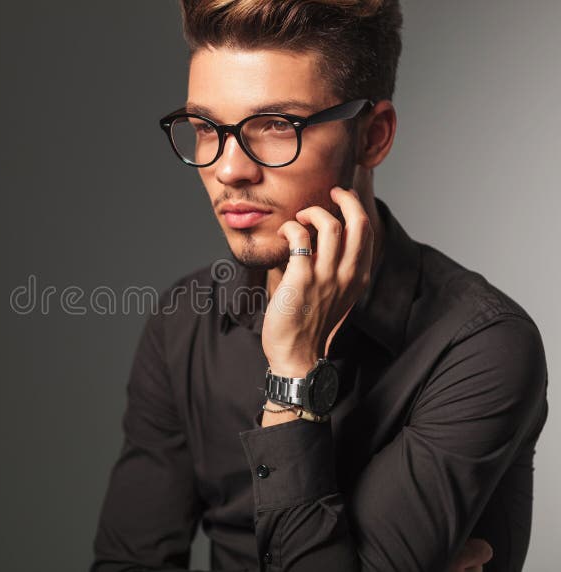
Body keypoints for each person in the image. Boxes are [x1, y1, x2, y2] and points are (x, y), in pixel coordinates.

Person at [90, 1, 549, 570]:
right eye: (207, 128)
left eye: (275, 125)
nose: (229, 169)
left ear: (373, 136)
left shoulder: (482, 346)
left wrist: (293, 374)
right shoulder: (183, 326)